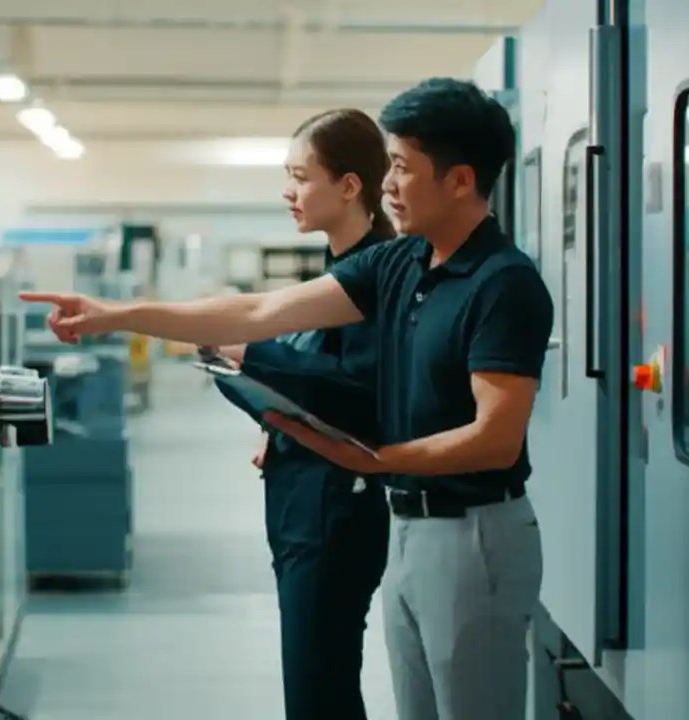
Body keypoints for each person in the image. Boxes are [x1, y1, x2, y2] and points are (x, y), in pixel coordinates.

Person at [20, 77, 552, 720]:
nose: (387, 185)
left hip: (475, 535)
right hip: (411, 525)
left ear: (461, 180)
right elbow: (258, 310)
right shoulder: (402, 265)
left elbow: (498, 438)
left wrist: (379, 460)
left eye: (403, 169)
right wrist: (118, 314)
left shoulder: (504, 283)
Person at [204, 108, 394, 720]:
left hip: (335, 510)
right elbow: (316, 380)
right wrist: (272, 415)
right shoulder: (338, 268)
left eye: (302, 176)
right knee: (316, 690)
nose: (290, 192)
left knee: (321, 694)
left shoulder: (375, 276)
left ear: (349, 186)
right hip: (305, 501)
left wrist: (253, 354)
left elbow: (357, 395)